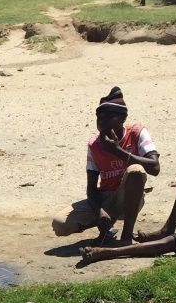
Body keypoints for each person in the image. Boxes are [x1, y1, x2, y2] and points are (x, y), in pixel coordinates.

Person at [52, 87, 161, 246]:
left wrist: (117, 151)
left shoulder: (136, 132)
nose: (102, 121)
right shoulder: (94, 145)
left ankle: (126, 235)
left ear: (122, 118)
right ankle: (106, 229)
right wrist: (99, 211)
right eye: (99, 116)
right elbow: (91, 187)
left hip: (130, 198)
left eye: (108, 116)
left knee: (135, 171)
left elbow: (155, 168)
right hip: (106, 199)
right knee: (60, 224)